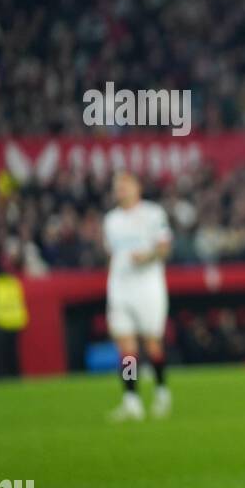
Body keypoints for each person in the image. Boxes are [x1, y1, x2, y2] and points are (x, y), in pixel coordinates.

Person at [103, 172, 173, 421]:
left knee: (152, 343)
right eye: (117, 186)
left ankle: (162, 390)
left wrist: (148, 256)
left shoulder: (153, 214)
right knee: (127, 348)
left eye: (124, 185)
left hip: (148, 286)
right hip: (120, 288)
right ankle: (131, 399)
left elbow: (164, 248)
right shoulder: (111, 220)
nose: (120, 189)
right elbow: (111, 253)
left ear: (137, 187)